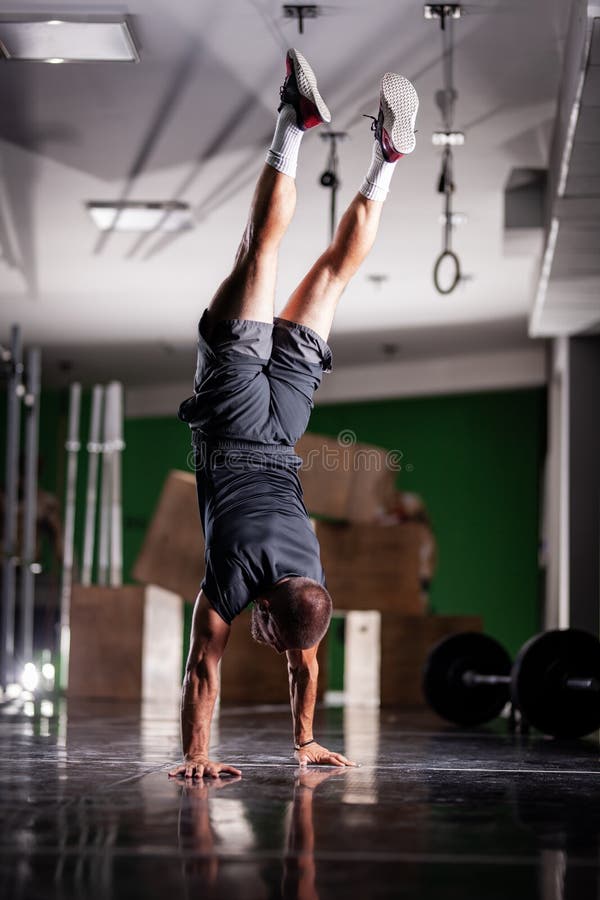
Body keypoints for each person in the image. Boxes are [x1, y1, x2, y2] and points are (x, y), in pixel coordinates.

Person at [169, 49, 418, 779]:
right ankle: (294, 120)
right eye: (270, 635)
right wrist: (196, 756)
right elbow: (203, 670)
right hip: (236, 410)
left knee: (335, 275)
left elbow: (307, 666)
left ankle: (389, 161)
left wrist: (307, 738)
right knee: (259, 249)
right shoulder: (233, 579)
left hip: (287, 422)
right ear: (271, 614)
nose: (268, 640)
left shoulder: (313, 586)